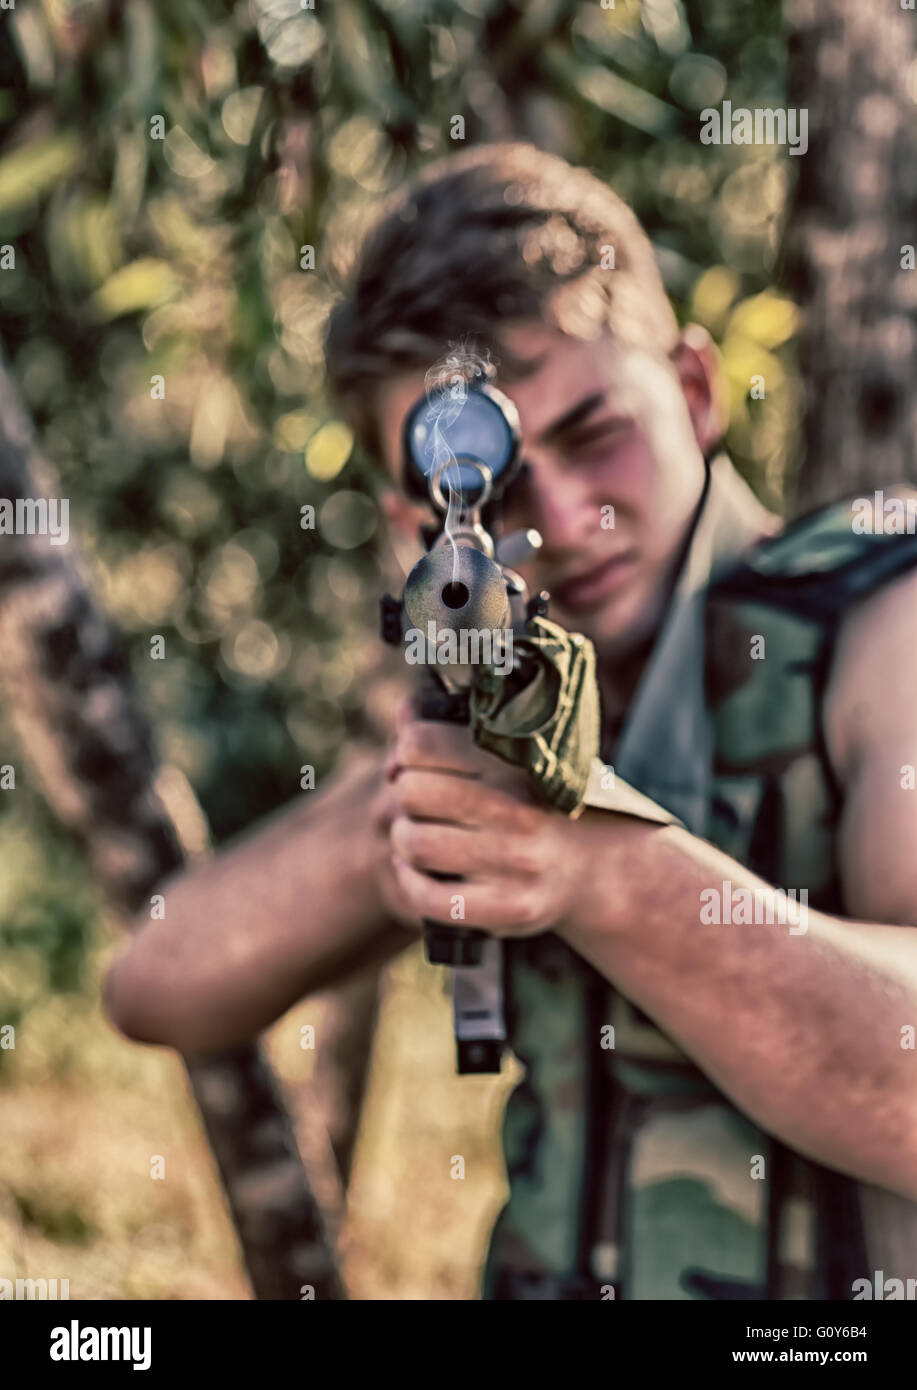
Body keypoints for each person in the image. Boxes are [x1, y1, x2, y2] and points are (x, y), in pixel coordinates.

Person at [104, 142, 917, 1300]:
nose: (571, 520)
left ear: (691, 391)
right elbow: (157, 984)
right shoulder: (496, 685)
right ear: (412, 519)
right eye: (497, 486)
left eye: (597, 433)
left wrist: (596, 867)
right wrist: (415, 825)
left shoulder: (876, 615)